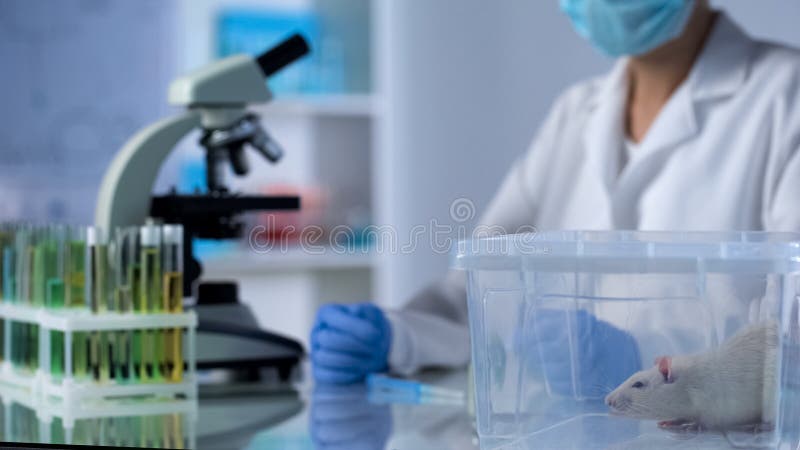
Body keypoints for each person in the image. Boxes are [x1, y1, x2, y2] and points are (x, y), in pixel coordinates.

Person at [310, 0, 800, 384]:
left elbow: (791, 332)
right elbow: (479, 293)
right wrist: (399, 336)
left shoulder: (786, 97)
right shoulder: (575, 114)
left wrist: (643, 356)